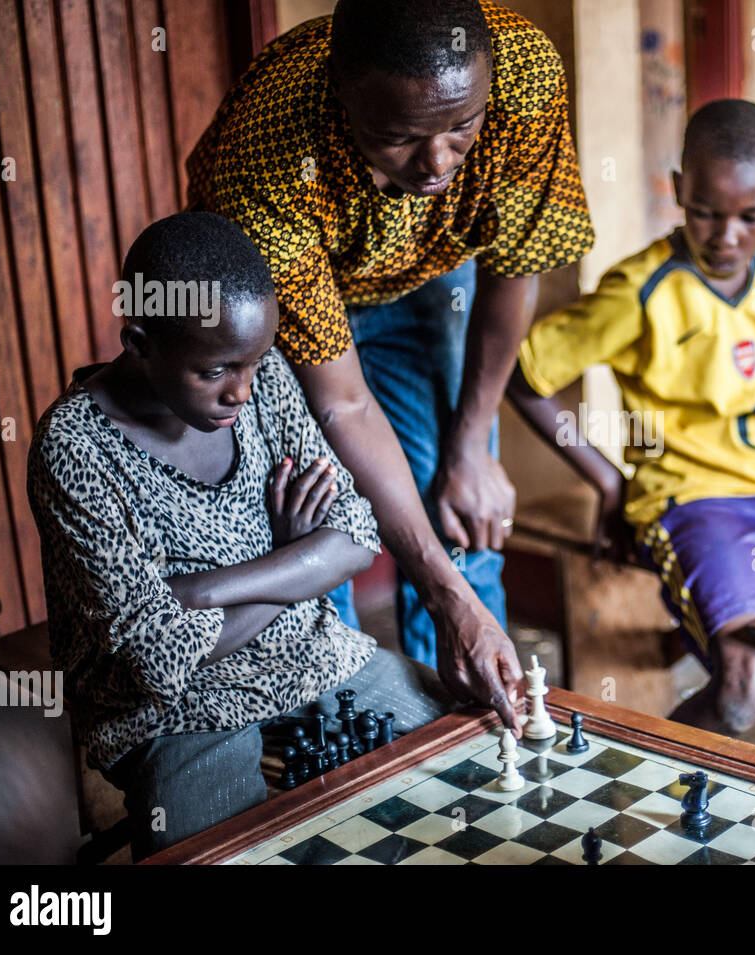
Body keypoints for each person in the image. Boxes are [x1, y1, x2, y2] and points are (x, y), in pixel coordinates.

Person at [186, 0, 595, 734]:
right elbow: (342, 403)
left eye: (460, 129)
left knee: (459, 508)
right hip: (285, 312)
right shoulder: (266, 150)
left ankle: (474, 738)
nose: (437, 164)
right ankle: (347, 750)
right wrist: (446, 599)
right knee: (310, 528)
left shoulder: (526, 76)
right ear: (340, 92)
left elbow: (515, 267)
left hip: (429, 285)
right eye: (399, 137)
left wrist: (472, 445)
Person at [27, 212, 455, 859]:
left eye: (255, 362)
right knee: (226, 853)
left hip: (312, 655)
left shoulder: (262, 374)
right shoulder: (74, 447)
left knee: (458, 769)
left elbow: (356, 538)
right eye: (217, 371)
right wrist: (296, 567)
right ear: (140, 341)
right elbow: (156, 659)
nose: (244, 391)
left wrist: (192, 593)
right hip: (170, 711)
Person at [508, 100, 755, 736]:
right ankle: (636, 796)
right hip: (696, 502)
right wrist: (609, 480)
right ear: (678, 189)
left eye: (750, 216)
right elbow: (526, 378)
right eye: (704, 212)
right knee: (748, 686)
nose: (726, 236)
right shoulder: (640, 291)